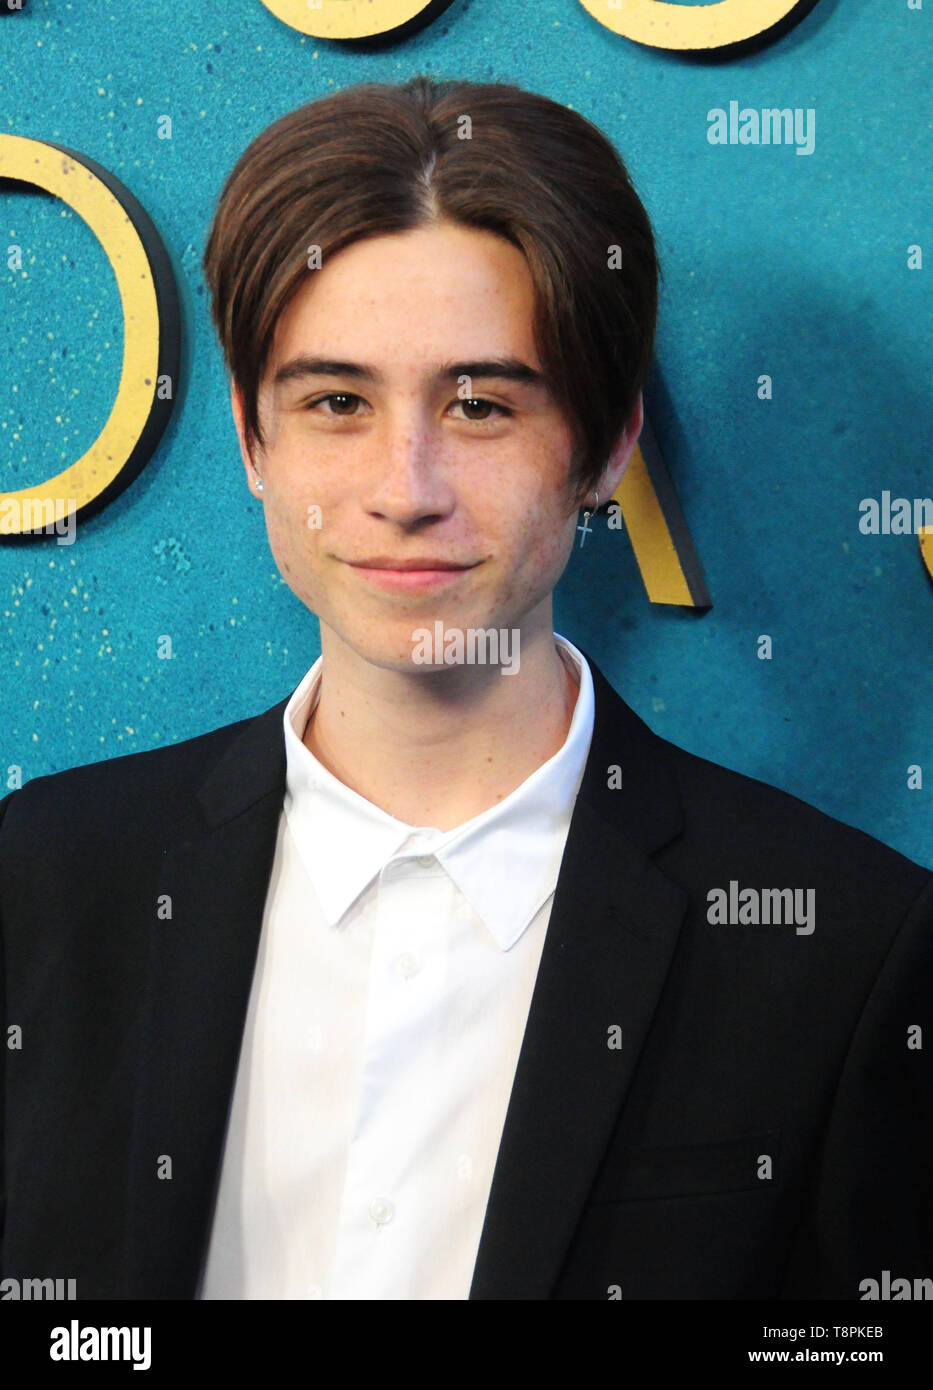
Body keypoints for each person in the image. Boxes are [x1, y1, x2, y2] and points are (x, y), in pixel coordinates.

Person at [1, 75, 930, 1302]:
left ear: (605, 447)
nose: (406, 485)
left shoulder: (849, 946)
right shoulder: (46, 877)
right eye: (337, 401)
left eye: (481, 404)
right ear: (250, 441)